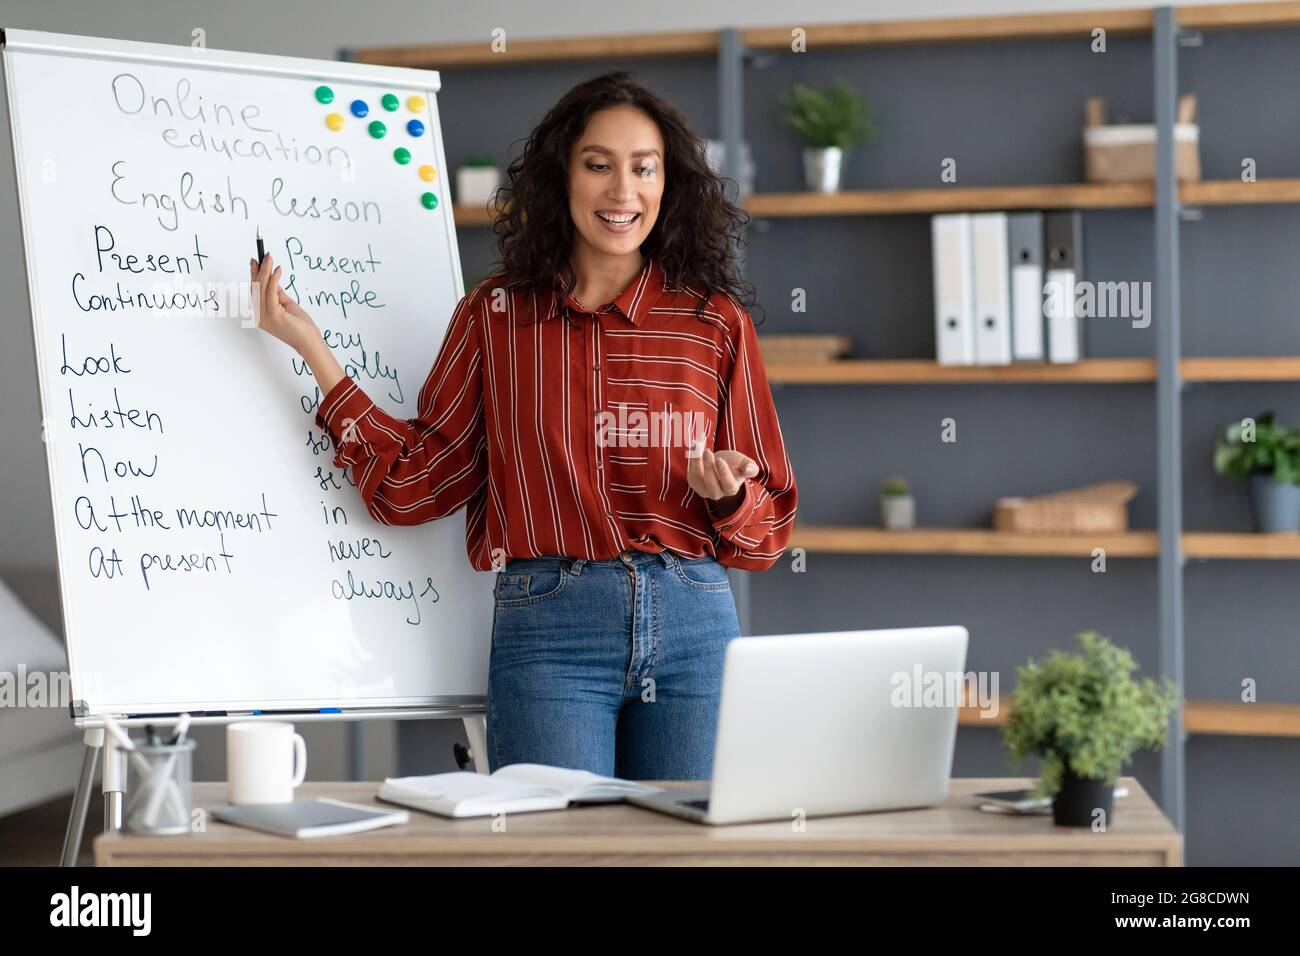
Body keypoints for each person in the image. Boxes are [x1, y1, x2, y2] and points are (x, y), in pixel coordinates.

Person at [249, 71, 797, 780]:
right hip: (551, 632)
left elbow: (768, 532)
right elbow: (416, 485)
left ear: (670, 185)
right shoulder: (495, 317)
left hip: (694, 622)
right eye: (598, 165)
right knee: (553, 848)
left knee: (684, 854)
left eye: (643, 168)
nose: (622, 191)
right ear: (561, 178)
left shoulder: (713, 322)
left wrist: (727, 495)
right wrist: (314, 354)